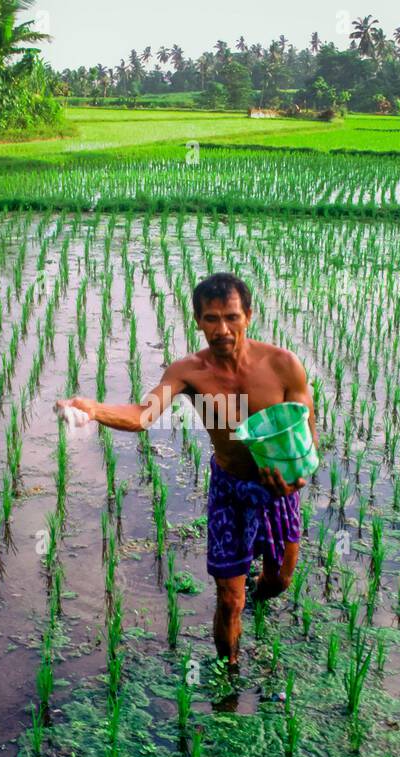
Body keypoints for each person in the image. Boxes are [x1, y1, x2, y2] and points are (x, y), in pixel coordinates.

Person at [56, 272, 317, 669]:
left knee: (279, 581)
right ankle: (228, 676)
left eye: (231, 317)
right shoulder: (188, 372)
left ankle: (259, 598)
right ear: (197, 320)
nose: (222, 329)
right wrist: (95, 409)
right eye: (211, 319)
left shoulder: (283, 366)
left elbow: (306, 434)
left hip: (277, 488)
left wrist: (296, 479)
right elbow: (143, 415)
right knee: (229, 598)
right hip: (230, 488)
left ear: (249, 314)